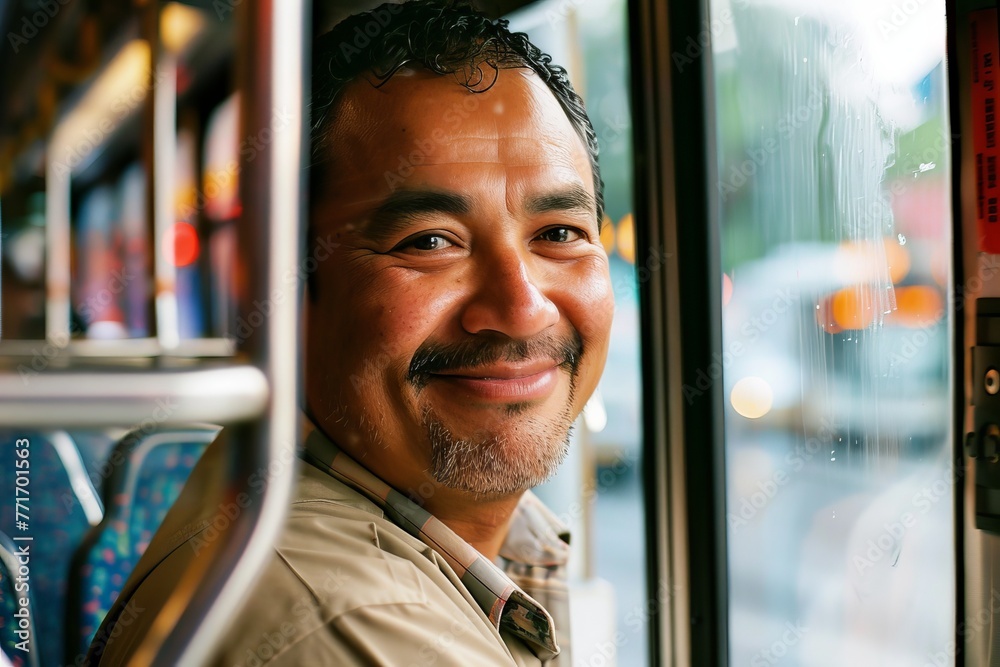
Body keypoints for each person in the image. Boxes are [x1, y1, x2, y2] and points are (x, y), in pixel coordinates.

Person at [87, 1, 613, 664]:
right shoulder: (353, 623)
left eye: (559, 234)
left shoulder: (279, 496)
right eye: (428, 242)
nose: (522, 308)